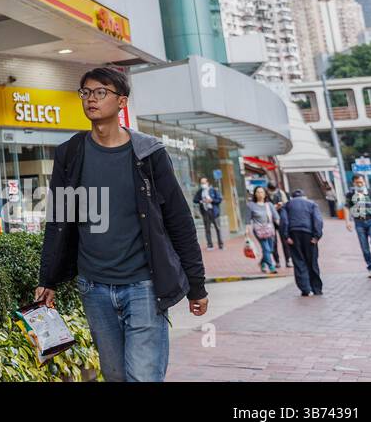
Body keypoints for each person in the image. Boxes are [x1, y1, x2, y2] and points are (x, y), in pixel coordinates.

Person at [35, 67, 207, 383]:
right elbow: (59, 220)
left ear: (121, 102)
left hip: (143, 285)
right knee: (114, 376)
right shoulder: (70, 154)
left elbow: (179, 221)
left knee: (141, 376)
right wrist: (48, 279)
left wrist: (196, 284)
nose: (91, 99)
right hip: (94, 286)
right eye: (85, 92)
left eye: (101, 92)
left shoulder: (148, 153)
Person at [279, 188, 325, 296]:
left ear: (292, 197)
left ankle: (305, 288)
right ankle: (317, 288)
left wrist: (286, 236)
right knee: (312, 262)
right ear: (304, 196)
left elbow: (284, 221)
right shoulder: (312, 204)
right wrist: (317, 236)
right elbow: (318, 220)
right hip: (309, 234)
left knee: (299, 261)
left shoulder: (287, 205)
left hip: (294, 234)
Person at [345, 174, 371, 278]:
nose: (359, 184)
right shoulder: (350, 194)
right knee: (365, 248)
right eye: (357, 182)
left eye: (361, 182)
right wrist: (347, 221)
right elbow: (346, 207)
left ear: (364, 182)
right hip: (359, 223)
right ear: (353, 183)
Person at [245, 186, 280, 274]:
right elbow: (248, 219)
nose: (260, 194)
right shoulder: (251, 205)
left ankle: (262, 263)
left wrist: (283, 228)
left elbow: (276, 218)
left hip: (270, 230)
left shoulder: (269, 205)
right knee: (266, 249)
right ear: (255, 194)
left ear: (265, 194)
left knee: (271, 249)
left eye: (262, 192)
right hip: (259, 230)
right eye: (258, 192)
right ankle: (271, 266)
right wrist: (247, 230)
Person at [192, 177, 224, 249]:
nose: (203, 184)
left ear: (207, 183)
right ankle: (210, 245)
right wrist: (201, 201)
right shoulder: (200, 192)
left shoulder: (213, 190)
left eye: (204, 183)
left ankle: (221, 244)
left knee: (218, 228)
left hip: (214, 212)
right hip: (205, 212)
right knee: (207, 229)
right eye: (201, 183)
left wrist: (211, 200)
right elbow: (195, 200)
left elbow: (219, 199)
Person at [267, 182, 291, 268]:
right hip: (270, 220)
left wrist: (281, 205)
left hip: (281, 219)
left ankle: (288, 260)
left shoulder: (281, 193)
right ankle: (277, 261)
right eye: (271, 190)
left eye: (274, 190)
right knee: (273, 242)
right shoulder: (265, 194)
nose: (272, 192)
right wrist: (273, 207)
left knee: (285, 240)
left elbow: (286, 204)